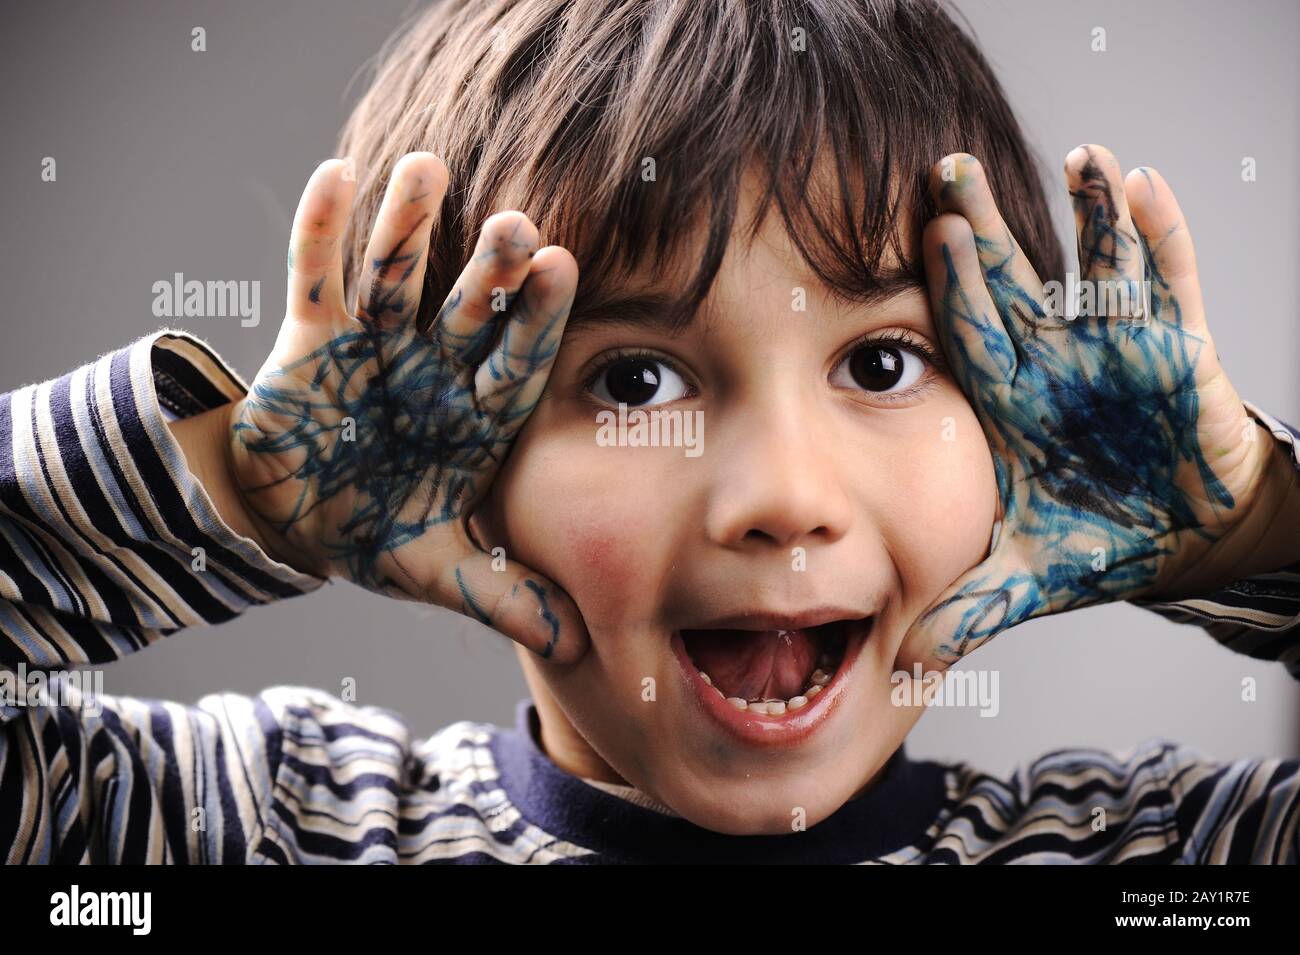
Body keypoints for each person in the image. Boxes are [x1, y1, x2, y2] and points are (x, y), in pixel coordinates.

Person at [2, 0, 1298, 864]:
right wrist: (237, 491)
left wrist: (1254, 530)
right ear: (451, 454)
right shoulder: (264, 834)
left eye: (885, 361)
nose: (784, 498)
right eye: (632, 385)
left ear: (1017, 433)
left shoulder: (1172, 869)